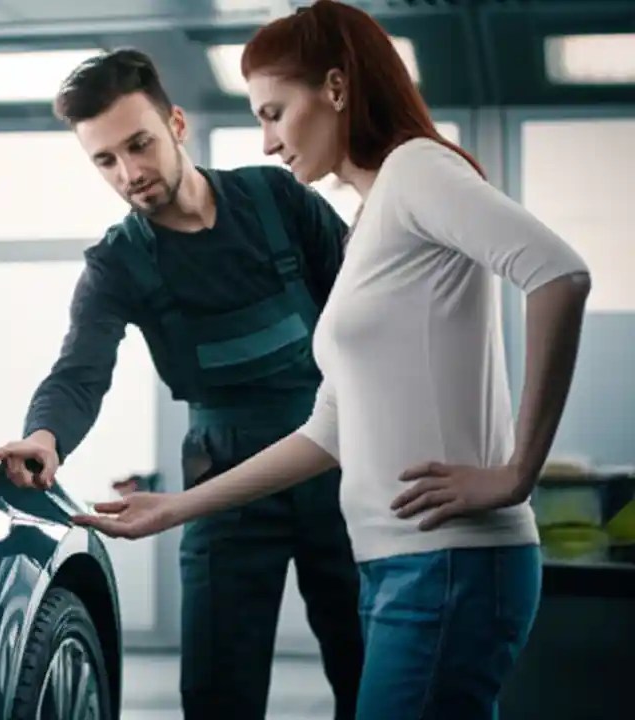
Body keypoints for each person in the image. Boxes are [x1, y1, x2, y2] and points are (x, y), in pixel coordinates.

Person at [69, 2, 593, 718]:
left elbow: (559, 274)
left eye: (276, 112)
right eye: (259, 117)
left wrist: (515, 474)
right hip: (397, 563)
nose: (267, 139)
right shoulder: (373, 214)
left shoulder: (413, 172)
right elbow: (332, 427)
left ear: (337, 90)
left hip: (447, 563)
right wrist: (174, 509)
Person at [0, 48, 364, 719]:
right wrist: (44, 437)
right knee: (218, 693)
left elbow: (370, 311)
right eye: (105, 160)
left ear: (177, 125)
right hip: (223, 483)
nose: (129, 172)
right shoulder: (118, 263)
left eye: (139, 145)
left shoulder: (278, 201)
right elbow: (79, 371)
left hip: (343, 458)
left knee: (371, 672)